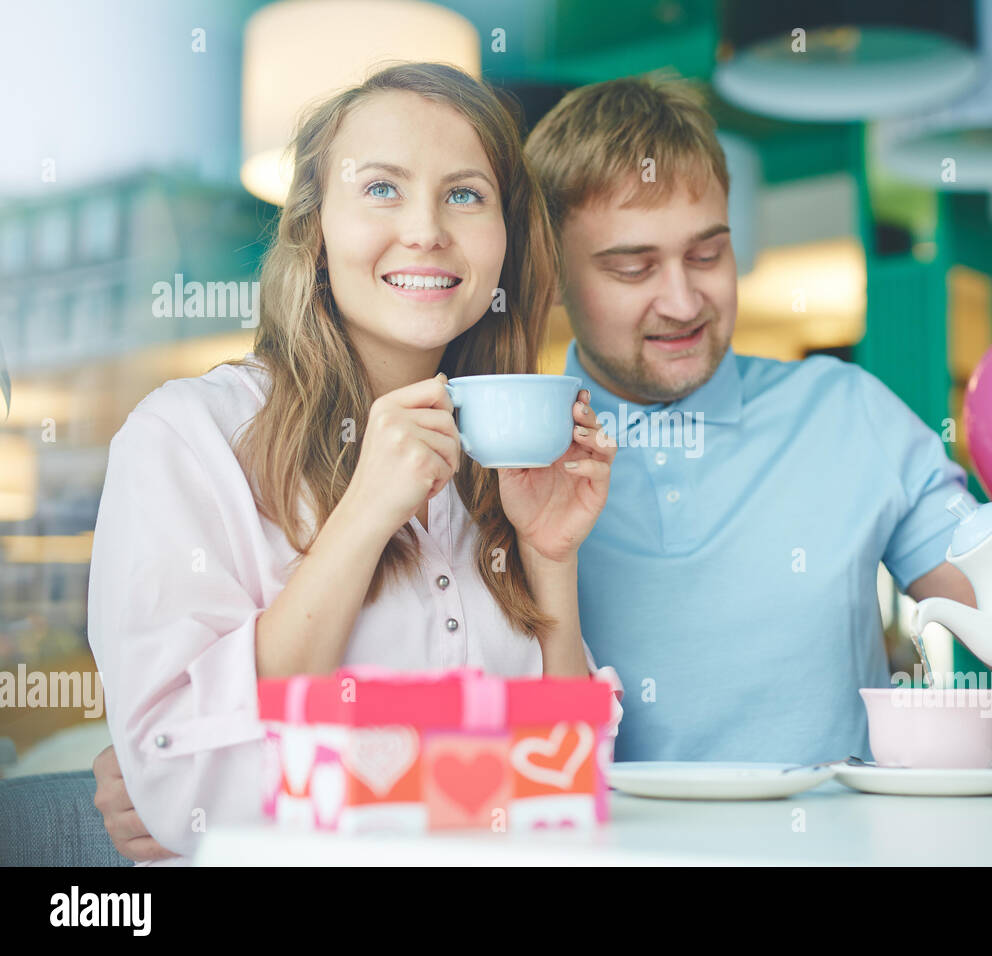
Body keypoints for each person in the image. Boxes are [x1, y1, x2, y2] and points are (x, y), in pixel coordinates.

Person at [520, 73, 992, 763]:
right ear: (550, 274)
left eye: (707, 254)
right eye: (633, 269)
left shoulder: (849, 413)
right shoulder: (515, 458)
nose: (682, 300)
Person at [87, 62, 619, 863]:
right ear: (316, 235)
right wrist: (366, 513)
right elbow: (182, 788)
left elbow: (570, 781)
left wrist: (551, 561)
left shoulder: (505, 461)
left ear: (505, 244)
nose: (427, 229)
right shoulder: (185, 439)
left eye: (465, 194)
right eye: (380, 188)